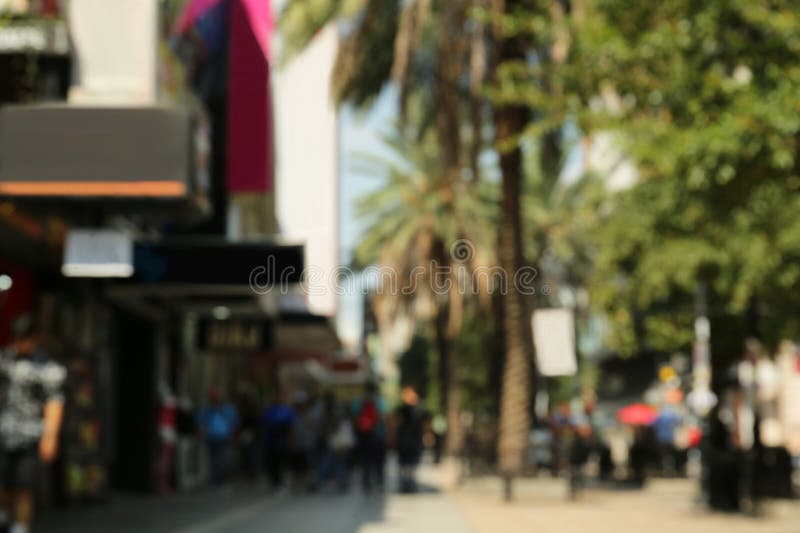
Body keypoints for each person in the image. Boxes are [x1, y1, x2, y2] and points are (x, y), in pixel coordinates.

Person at [0, 314, 65, 533]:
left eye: (25, 338)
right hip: (3, 432)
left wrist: (50, 436)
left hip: (30, 435)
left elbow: (54, 403)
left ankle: (20, 526)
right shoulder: (5, 360)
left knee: (24, 486)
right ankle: (5, 516)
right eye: (17, 337)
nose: (20, 343)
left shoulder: (48, 368)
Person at [196, 387, 238, 490]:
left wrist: (233, 435)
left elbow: (234, 423)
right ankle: (216, 483)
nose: (213, 398)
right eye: (211, 396)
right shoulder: (206, 409)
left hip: (224, 438)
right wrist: (201, 434)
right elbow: (200, 423)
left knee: (223, 460)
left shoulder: (227, 409)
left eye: (215, 395)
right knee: (214, 461)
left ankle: (222, 481)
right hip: (211, 437)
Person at [351, 382, 387, 493]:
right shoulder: (380, 402)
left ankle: (366, 483)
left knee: (366, 460)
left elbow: (354, 416)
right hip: (378, 435)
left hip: (363, 436)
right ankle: (379, 482)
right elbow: (384, 417)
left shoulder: (359, 401)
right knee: (379, 461)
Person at [261, 391, 295, 493]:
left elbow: (292, 426)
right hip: (271, 441)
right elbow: (264, 425)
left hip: (283, 441)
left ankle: (281, 483)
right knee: (273, 463)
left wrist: (292, 439)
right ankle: (275, 483)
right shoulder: (269, 410)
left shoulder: (287, 410)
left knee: (282, 463)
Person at [394, 387, 423, 493]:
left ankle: (408, 483)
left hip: (410, 440)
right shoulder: (413, 409)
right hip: (406, 440)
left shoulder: (415, 409)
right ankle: (407, 483)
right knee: (407, 464)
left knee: (410, 464)